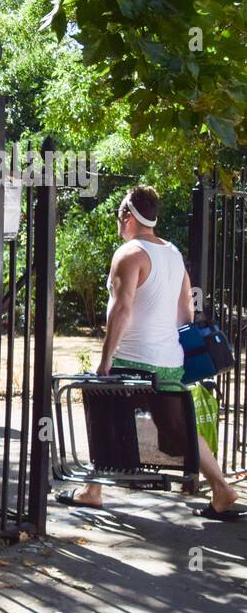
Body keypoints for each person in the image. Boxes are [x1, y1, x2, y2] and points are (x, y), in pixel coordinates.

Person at [73, 185, 241, 518]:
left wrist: (106, 362)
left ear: (126, 215)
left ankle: (94, 490)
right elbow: (186, 316)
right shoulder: (174, 254)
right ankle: (221, 490)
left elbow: (120, 310)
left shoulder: (129, 254)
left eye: (119, 214)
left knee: (103, 406)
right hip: (169, 363)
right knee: (181, 429)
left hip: (132, 359)